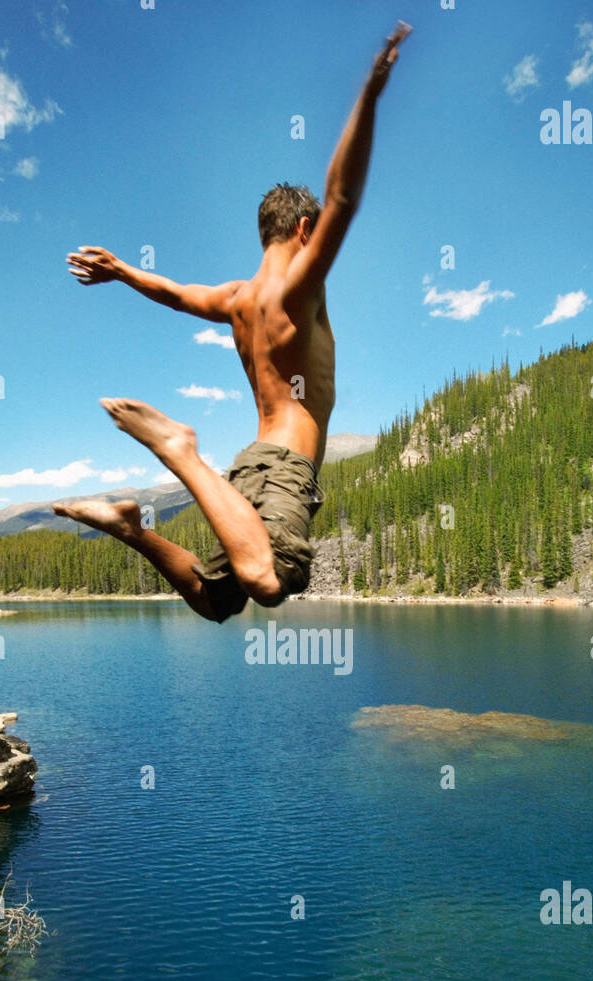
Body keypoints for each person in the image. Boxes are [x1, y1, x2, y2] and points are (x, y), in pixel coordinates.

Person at [57, 22, 412, 622]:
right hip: (284, 467)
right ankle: (179, 449)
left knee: (215, 600)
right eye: (316, 230)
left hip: (249, 466)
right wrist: (369, 96)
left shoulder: (236, 299)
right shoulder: (299, 289)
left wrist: (121, 270)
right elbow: (344, 198)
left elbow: (174, 294)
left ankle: (129, 528)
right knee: (272, 580)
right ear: (304, 230)